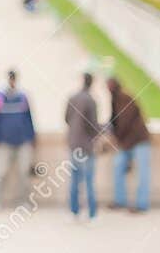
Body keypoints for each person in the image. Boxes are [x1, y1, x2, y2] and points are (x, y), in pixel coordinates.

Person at [0, 69, 36, 209]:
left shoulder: (23, 97)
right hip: (4, 142)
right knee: (1, 173)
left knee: (24, 174)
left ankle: (24, 202)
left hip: (23, 141)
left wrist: (31, 137)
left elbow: (29, 118)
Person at [106, 77, 151, 213]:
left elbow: (124, 123)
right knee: (118, 166)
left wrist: (115, 138)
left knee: (143, 173)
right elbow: (114, 121)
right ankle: (120, 200)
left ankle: (141, 205)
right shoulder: (114, 100)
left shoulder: (125, 98)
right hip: (126, 142)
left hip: (139, 140)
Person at [64, 72, 102, 221]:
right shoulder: (91, 101)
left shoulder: (72, 98)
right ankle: (92, 214)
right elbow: (92, 125)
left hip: (74, 143)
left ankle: (74, 211)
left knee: (74, 179)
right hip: (86, 145)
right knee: (89, 180)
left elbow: (66, 119)